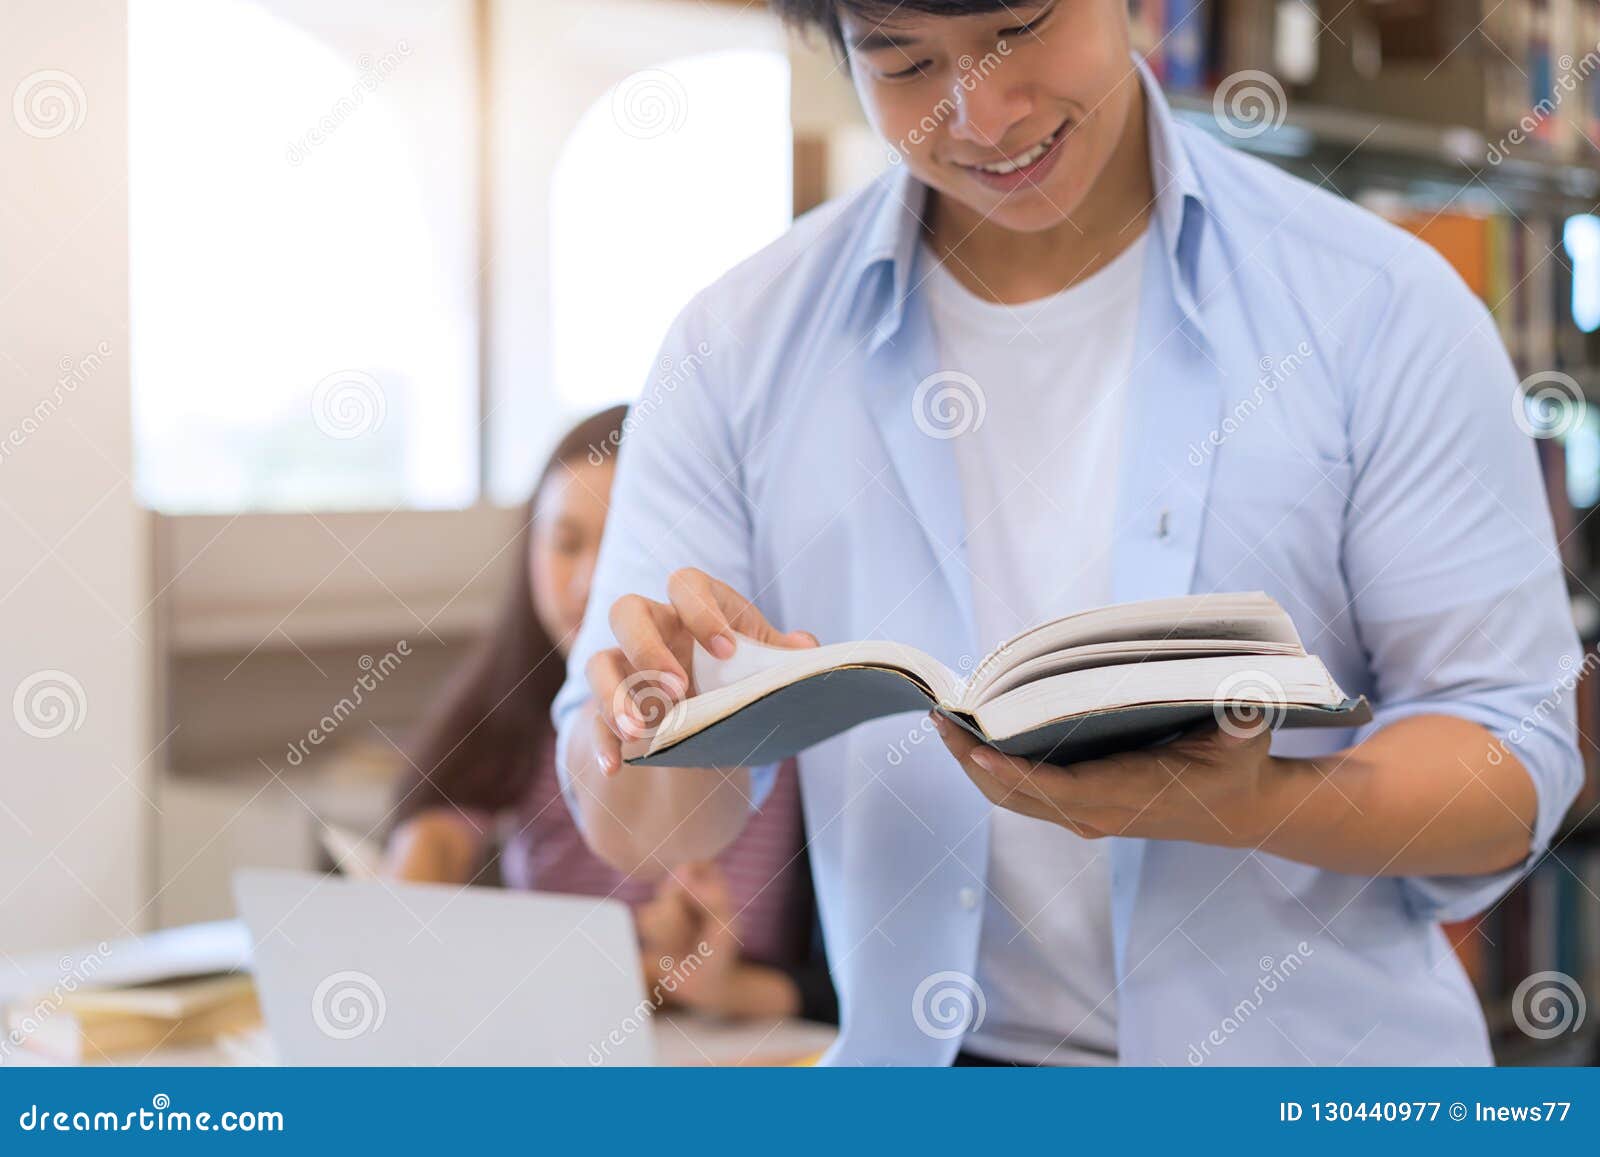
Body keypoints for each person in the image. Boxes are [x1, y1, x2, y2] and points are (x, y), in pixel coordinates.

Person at [554, 2, 1584, 1065]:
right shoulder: (736, 345)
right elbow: (641, 828)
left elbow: (1511, 760)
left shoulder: (1377, 306)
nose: (984, 118)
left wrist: (1258, 803)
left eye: (1018, 32)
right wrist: (657, 724)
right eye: (905, 65)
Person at [384, 405, 835, 1024]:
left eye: (626, 546)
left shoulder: (786, 716)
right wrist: (419, 860)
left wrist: (724, 987)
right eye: (566, 544)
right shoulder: (512, 708)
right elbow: (430, 842)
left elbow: (850, 989)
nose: (592, 582)